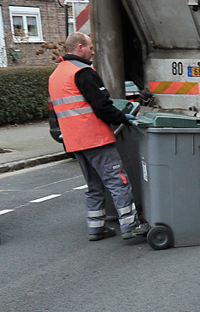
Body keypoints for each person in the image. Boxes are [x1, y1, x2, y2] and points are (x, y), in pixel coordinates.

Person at [47, 32, 148, 242]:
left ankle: (96, 227)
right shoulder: (82, 72)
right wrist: (123, 118)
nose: (93, 51)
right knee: (117, 182)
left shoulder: (56, 75)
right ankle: (132, 225)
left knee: (94, 185)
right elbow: (102, 106)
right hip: (95, 138)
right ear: (80, 48)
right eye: (91, 47)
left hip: (74, 140)